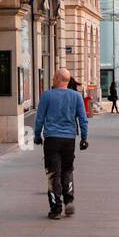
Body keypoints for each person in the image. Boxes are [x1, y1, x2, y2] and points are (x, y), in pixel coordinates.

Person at [33, 68, 89, 220]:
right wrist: (84, 138)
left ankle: (56, 208)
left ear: (57, 79)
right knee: (67, 169)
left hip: (51, 139)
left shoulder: (47, 96)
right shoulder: (76, 96)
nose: (52, 78)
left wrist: (37, 135)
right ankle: (69, 200)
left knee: (53, 173)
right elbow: (83, 119)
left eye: (53, 76)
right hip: (69, 139)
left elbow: (40, 118)